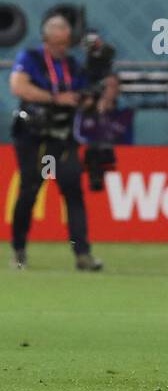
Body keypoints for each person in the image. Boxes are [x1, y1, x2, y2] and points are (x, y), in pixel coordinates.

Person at [8, 14, 103, 271]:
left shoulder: (73, 64)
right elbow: (18, 87)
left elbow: (84, 97)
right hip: (33, 135)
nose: (63, 46)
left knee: (73, 190)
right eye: (59, 40)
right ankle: (19, 250)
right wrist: (55, 98)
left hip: (62, 137)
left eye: (66, 41)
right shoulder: (31, 58)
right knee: (29, 190)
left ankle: (82, 254)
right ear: (47, 38)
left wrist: (89, 97)